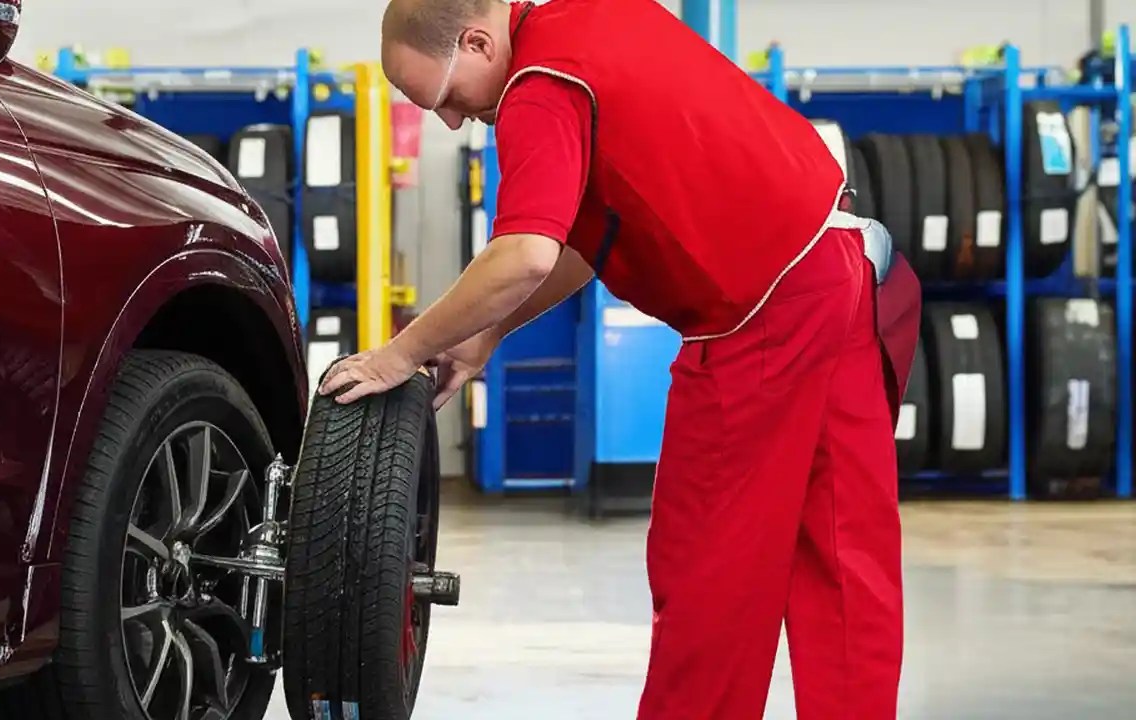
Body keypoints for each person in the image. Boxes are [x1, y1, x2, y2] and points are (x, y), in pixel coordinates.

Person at [319, 0, 919, 717]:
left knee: (708, 570)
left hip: (760, 321)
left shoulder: (538, 88)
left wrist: (401, 352)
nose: (451, 120)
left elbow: (526, 253)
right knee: (845, 552)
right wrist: (485, 336)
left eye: (446, 97)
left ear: (478, 41)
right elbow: (588, 235)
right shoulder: (593, 19)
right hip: (843, 271)